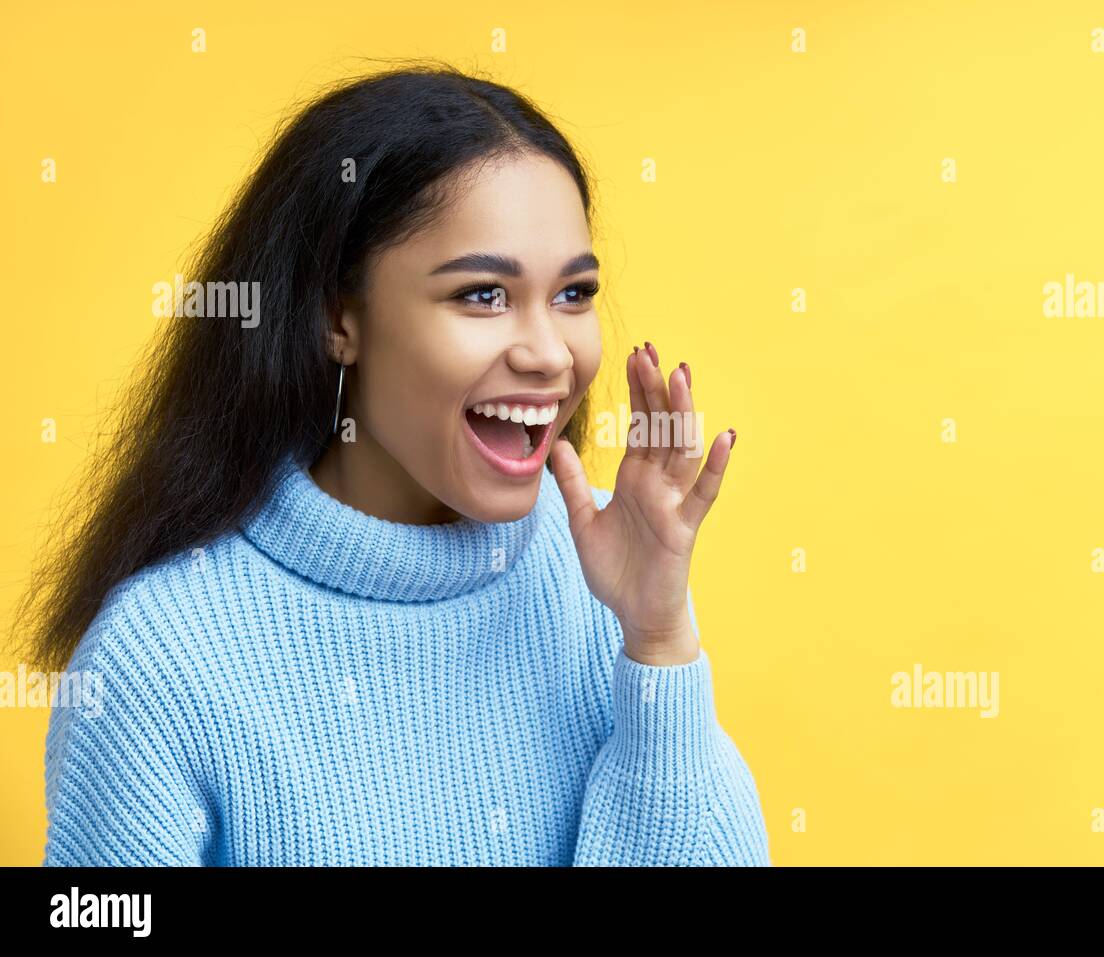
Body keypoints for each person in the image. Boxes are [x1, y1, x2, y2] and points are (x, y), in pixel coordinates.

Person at [20, 63, 769, 866]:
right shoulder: (161, 658)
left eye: (573, 294)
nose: (552, 353)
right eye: (482, 294)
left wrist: (658, 636)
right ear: (338, 317)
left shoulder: (597, 579)